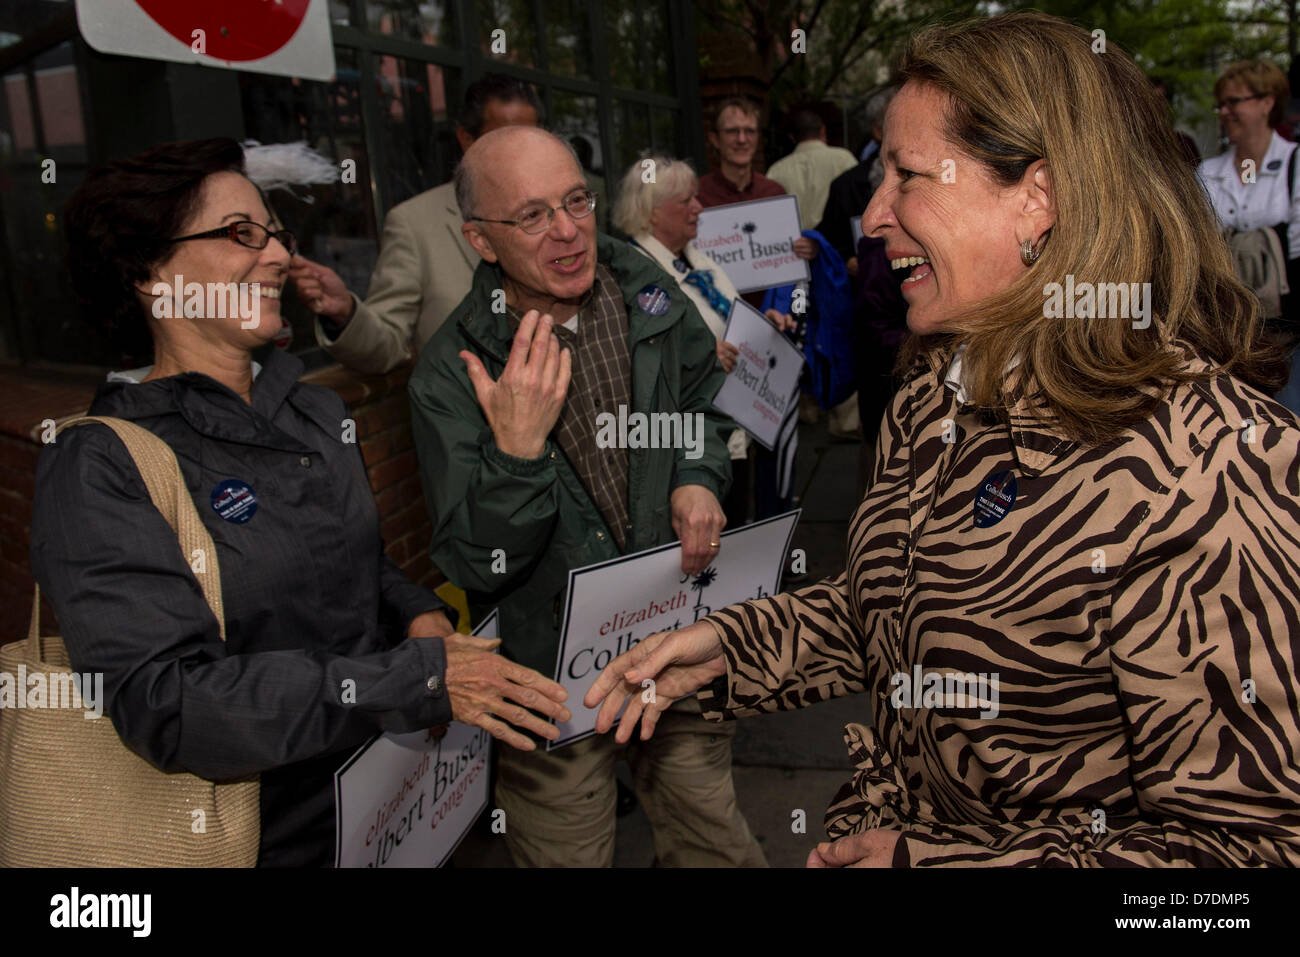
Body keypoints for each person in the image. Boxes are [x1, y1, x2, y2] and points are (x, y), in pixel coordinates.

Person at [585, 12, 1300, 867]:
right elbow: (890, 611)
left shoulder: (1213, 466)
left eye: (909, 176)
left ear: (1039, 198)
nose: (875, 214)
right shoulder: (934, 389)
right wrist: (727, 647)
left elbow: (1245, 861)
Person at [31, 138, 571, 867]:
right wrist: (413, 680)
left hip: (388, 806)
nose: (280, 256)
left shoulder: (313, 411)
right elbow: (166, 700)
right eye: (238, 235)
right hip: (259, 839)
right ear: (150, 272)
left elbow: (355, 562)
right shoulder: (99, 463)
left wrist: (416, 609)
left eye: (275, 233)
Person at [408, 126, 766, 867]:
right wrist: (515, 452)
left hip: (675, 637)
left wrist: (698, 473)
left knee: (715, 841)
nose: (569, 231)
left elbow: (703, 400)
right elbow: (475, 561)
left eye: (576, 201)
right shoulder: (452, 372)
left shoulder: (645, 290)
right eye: (534, 215)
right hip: (550, 681)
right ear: (481, 239)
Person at [289, 74, 542, 375]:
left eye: (532, 140)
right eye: (504, 139)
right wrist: (345, 313)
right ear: (466, 140)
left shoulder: (558, 215)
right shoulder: (415, 224)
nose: (522, 153)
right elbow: (386, 345)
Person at [612, 153, 796, 527]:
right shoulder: (631, 273)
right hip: (683, 444)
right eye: (685, 201)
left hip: (730, 424)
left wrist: (764, 326)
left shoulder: (699, 260)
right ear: (651, 212)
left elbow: (727, 318)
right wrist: (695, 352)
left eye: (696, 197)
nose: (698, 208)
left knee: (733, 528)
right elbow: (629, 353)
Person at [817, 87, 897, 276]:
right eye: (897, 121)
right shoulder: (845, 187)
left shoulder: (941, 175)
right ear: (878, 130)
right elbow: (830, 244)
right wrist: (847, 261)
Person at [766, 109, 858, 231]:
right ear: (823, 131)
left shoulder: (776, 170)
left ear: (792, 137)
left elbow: (770, 215)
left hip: (796, 245)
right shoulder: (844, 159)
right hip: (838, 243)